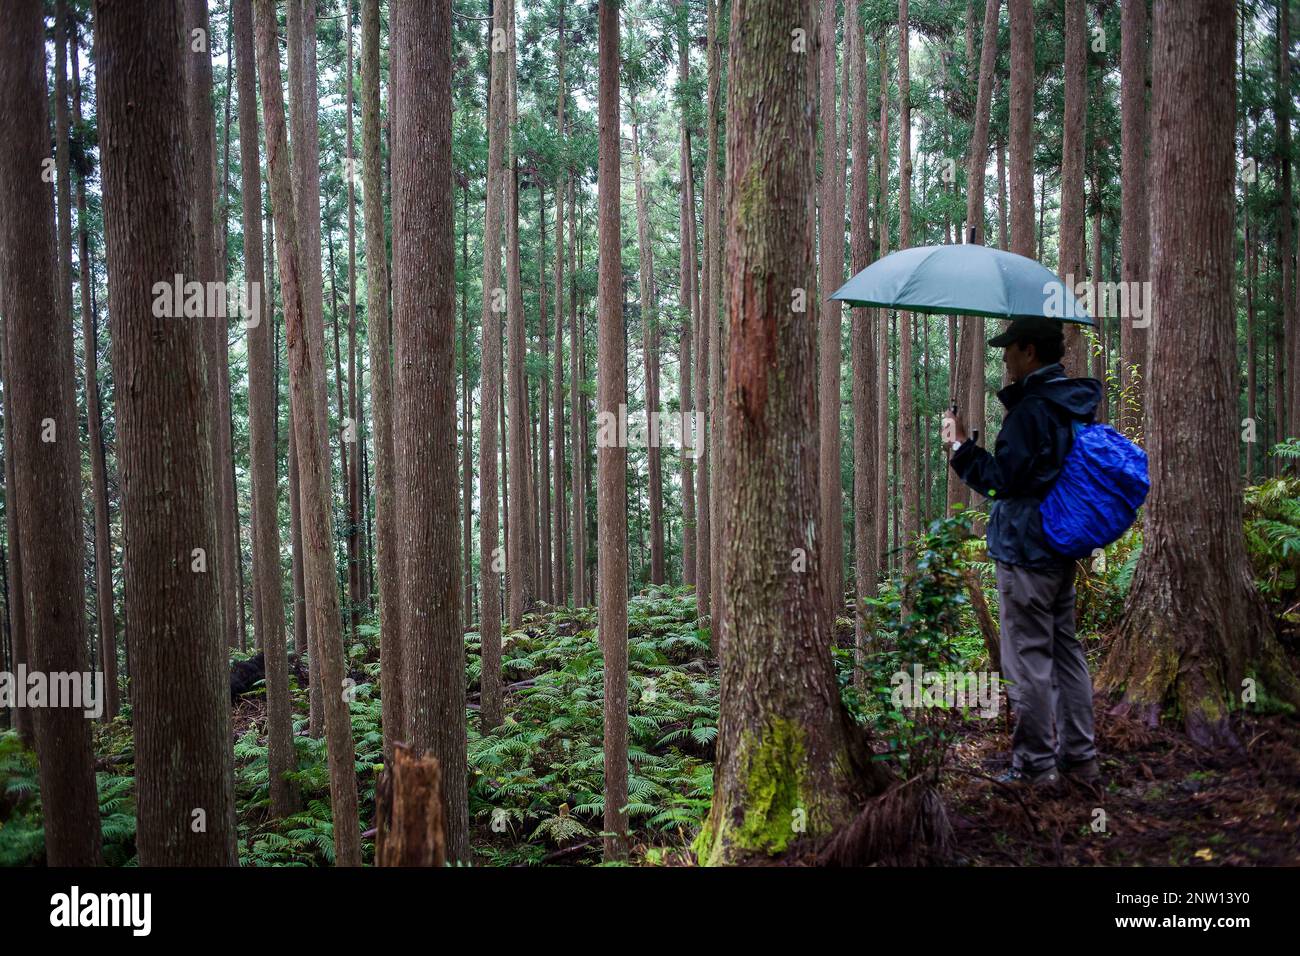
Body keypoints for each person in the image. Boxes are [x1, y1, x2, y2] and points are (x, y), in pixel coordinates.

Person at [944, 316, 1102, 788]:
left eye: (1010, 349)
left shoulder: (1032, 409)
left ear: (1030, 352)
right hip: (1059, 544)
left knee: (1028, 659)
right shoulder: (1070, 402)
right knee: (1065, 651)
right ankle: (1081, 758)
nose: (1004, 357)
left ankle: (1035, 766)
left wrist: (959, 449)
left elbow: (1003, 482)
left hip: (1026, 550)